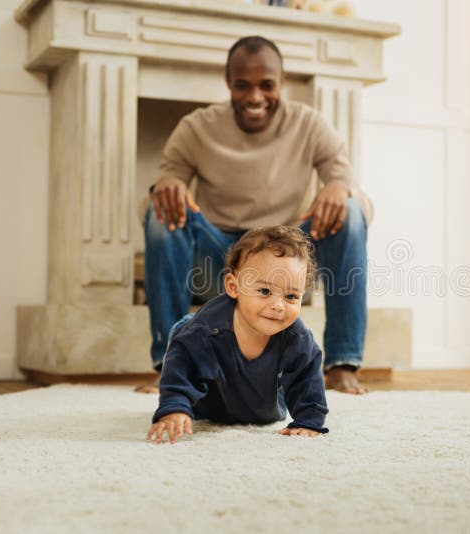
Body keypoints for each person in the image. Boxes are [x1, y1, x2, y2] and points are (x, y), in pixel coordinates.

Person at [140, 35, 371, 395]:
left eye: (267, 85)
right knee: (162, 209)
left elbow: (362, 207)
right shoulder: (196, 127)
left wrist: (342, 188)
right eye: (242, 86)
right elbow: (155, 207)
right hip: (220, 260)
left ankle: (342, 363)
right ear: (228, 82)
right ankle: (171, 362)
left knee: (350, 211)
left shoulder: (309, 125)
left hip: (286, 261)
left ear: (282, 82)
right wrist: (166, 186)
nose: (255, 97)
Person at [146, 225, 328, 444]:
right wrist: (174, 407)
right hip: (206, 404)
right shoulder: (207, 329)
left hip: (264, 409)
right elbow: (183, 368)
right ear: (233, 287)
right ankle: (184, 329)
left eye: (291, 296)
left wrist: (308, 421)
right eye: (264, 291)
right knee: (186, 333)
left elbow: (307, 379)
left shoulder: (296, 337)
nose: (278, 306)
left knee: (300, 358)